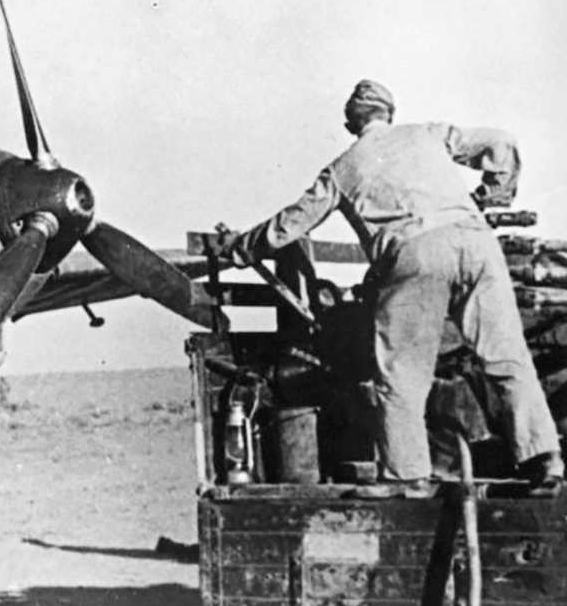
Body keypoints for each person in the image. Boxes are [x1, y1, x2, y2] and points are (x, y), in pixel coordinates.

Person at [225, 79, 562, 490]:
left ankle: (408, 479)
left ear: (351, 124)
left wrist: (239, 248)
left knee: (401, 375)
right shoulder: (428, 134)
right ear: (390, 114)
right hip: (477, 243)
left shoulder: (341, 169)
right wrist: (491, 197)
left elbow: (289, 225)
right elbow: (500, 142)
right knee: (507, 357)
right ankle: (545, 462)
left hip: (415, 257)